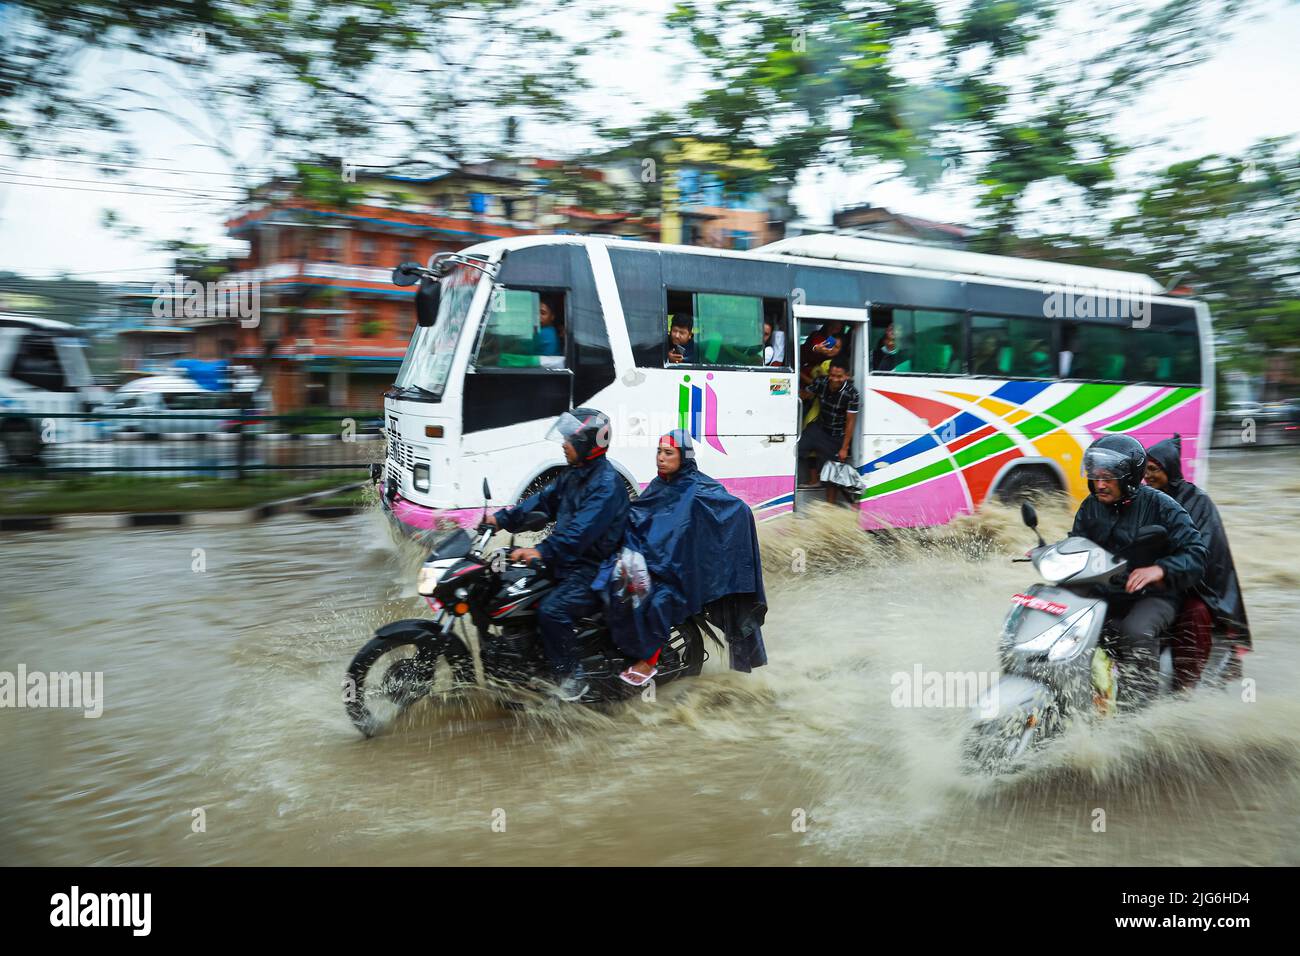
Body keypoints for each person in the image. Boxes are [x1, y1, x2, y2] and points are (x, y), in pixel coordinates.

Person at [482, 407, 629, 700]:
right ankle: (526, 662)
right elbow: (541, 503)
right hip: (565, 561)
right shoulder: (572, 475)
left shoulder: (607, 486)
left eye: (570, 439)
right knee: (509, 588)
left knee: (552, 610)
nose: (564, 444)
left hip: (594, 568)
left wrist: (540, 551)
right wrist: (500, 520)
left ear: (588, 444)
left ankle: (571, 676)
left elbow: (580, 534)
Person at [600, 429, 768, 685]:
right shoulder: (660, 485)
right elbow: (643, 518)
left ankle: (648, 660)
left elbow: (737, 510)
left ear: (683, 457)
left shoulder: (699, 490)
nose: (661, 458)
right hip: (655, 561)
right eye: (658, 451)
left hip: (680, 571)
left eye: (668, 453)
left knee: (653, 599)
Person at [1073, 434, 1207, 704]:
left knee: (1135, 632)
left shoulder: (1162, 506)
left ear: (1129, 478)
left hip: (1153, 595)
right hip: (1105, 591)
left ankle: (1139, 710)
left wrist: (1159, 569)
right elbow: (1076, 544)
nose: (1099, 484)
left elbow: (1197, 554)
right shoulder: (1090, 506)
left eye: (1108, 478)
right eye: (1095, 477)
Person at [1145, 434, 1251, 685]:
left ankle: (1185, 684)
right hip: (1152, 577)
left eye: (1153, 470)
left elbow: (1202, 550)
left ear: (1169, 469)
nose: (1147, 476)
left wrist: (1168, 567)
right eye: (1145, 470)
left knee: (1195, 613)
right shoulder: (1144, 499)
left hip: (1196, 585)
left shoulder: (1198, 501)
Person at [797, 358, 860, 502]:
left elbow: (850, 422)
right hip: (819, 429)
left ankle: (829, 508)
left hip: (835, 436)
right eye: (832, 375)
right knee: (794, 448)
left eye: (839, 376)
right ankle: (813, 479)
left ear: (847, 376)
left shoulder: (852, 394)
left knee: (832, 476)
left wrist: (844, 448)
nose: (835, 379)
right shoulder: (822, 382)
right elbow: (806, 393)